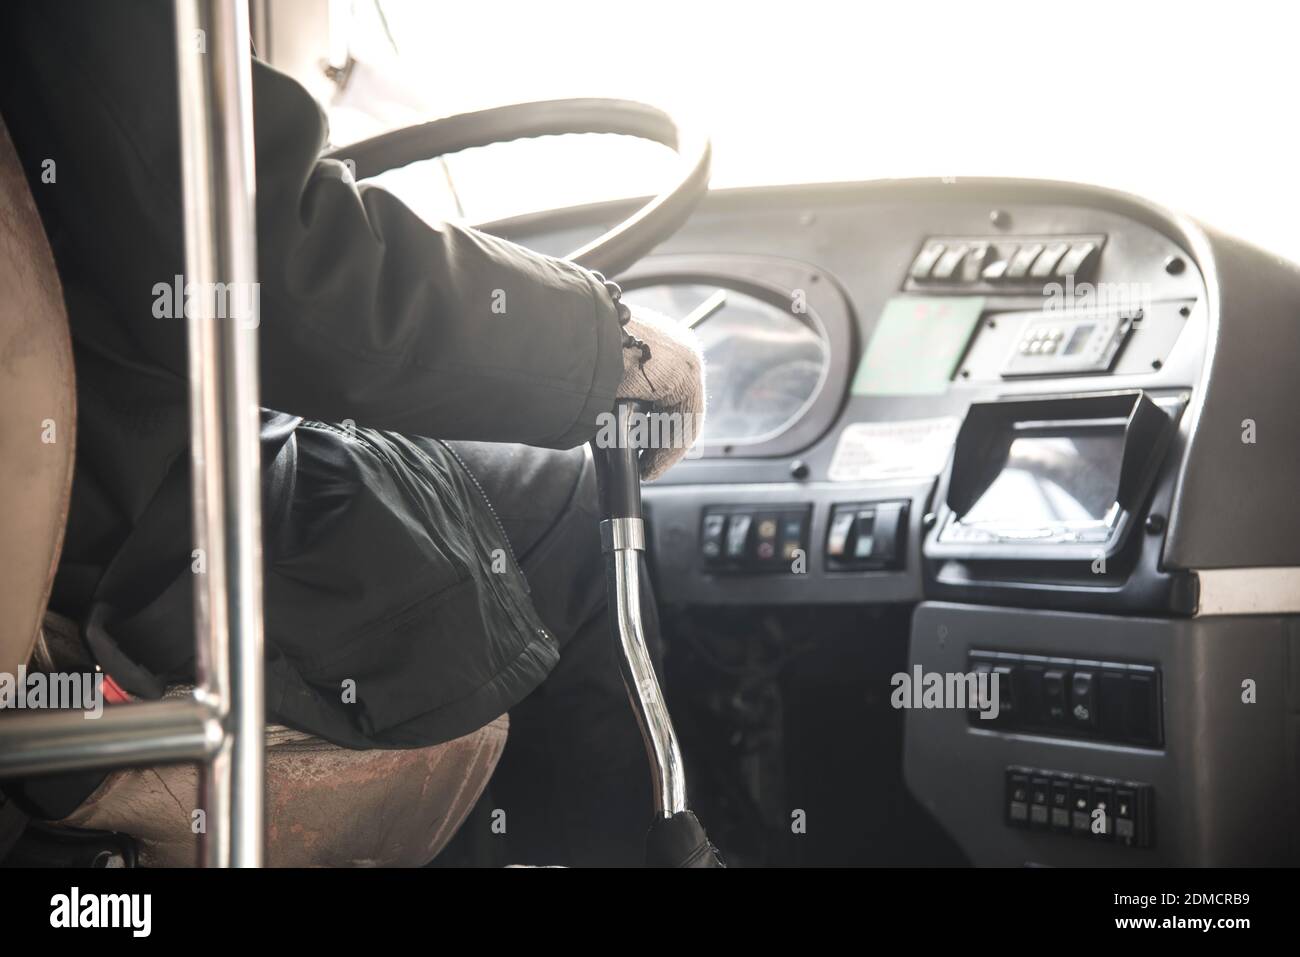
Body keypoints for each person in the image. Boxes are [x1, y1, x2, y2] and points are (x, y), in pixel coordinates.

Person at [0, 0, 704, 866]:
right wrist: (602, 349)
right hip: (117, 540)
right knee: (567, 496)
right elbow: (264, 252)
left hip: (94, 494)